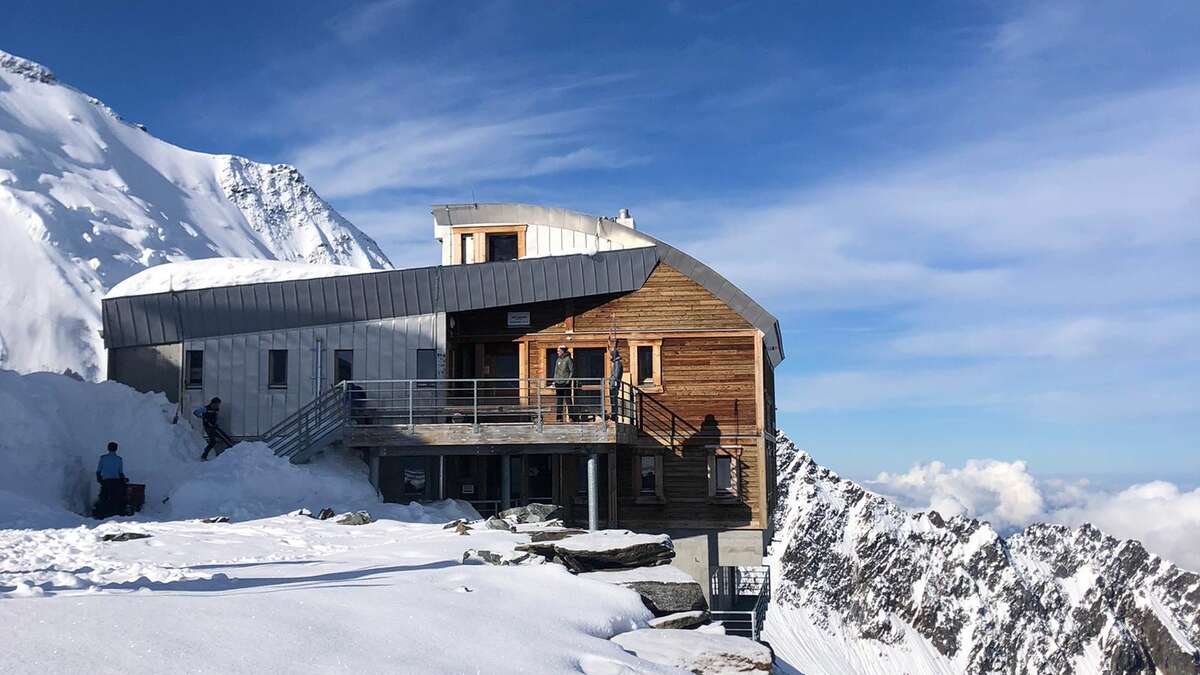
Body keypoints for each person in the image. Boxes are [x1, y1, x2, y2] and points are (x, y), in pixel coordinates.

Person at [95, 441, 127, 518]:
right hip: (116, 482)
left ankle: (101, 514)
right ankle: (115, 513)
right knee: (115, 498)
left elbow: (98, 470)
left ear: (108, 448)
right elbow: (120, 472)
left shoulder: (103, 458)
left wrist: (99, 479)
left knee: (103, 497)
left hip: (105, 481)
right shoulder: (119, 459)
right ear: (116, 449)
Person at [552, 344, 574, 422]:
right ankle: (559, 417)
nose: (557, 352)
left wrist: (568, 381)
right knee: (559, 400)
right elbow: (556, 371)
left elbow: (572, 371)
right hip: (558, 382)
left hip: (565, 382)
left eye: (558, 350)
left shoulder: (568, 359)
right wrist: (554, 380)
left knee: (568, 400)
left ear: (562, 350)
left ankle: (572, 417)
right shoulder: (558, 360)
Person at [608, 347, 623, 421]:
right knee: (613, 400)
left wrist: (611, 383)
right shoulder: (616, 363)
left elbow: (616, 375)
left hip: (614, 385)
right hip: (614, 384)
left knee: (614, 400)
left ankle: (614, 415)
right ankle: (614, 415)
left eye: (612, 355)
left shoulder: (617, 363)